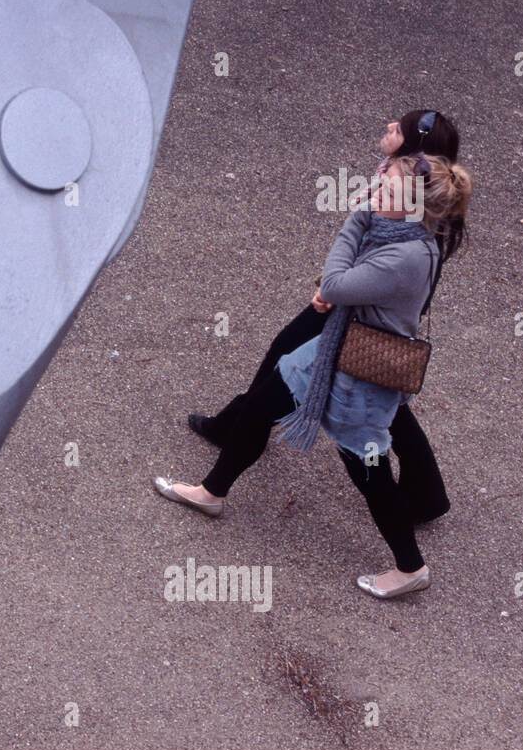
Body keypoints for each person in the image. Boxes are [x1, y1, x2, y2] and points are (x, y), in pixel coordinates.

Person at [152, 152, 472, 599]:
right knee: (261, 404)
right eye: (382, 183)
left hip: (358, 382)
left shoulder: (405, 255)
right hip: (329, 355)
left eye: (389, 191)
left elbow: (338, 284)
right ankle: (212, 492)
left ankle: (410, 567)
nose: (376, 192)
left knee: (371, 473)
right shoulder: (400, 232)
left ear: (416, 209)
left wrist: (354, 223)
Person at [188, 110, 459, 524]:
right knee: (379, 393)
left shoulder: (407, 194)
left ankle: (235, 427)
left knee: (302, 361)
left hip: (362, 308)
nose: (388, 128)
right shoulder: (404, 182)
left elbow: (376, 261)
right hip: (360, 297)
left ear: (413, 149)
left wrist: (335, 288)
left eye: (397, 129)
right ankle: (427, 495)